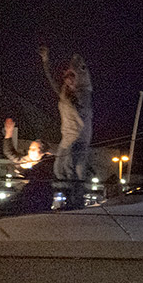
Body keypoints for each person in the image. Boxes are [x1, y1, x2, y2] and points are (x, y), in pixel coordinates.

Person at [39, 45, 93, 208]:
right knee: (59, 169)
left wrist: (70, 94)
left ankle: (75, 201)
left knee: (72, 169)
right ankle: (67, 199)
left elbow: (81, 106)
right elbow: (52, 81)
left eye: (71, 76)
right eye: (67, 76)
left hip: (78, 136)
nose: (68, 79)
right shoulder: (65, 93)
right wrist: (46, 62)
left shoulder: (83, 94)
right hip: (67, 136)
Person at [0, 117, 55, 216]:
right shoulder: (26, 160)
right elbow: (10, 153)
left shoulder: (48, 162)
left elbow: (33, 174)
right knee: (2, 205)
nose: (30, 151)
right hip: (24, 193)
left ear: (42, 152)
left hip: (39, 197)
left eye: (33, 149)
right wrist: (9, 133)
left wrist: (22, 168)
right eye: (30, 148)